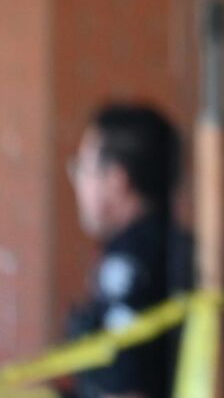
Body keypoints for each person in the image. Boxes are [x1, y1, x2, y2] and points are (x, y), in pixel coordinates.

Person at [64, 103, 193, 398]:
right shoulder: (176, 247)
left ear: (116, 179)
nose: (78, 182)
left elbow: (125, 386)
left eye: (83, 167)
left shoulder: (126, 266)